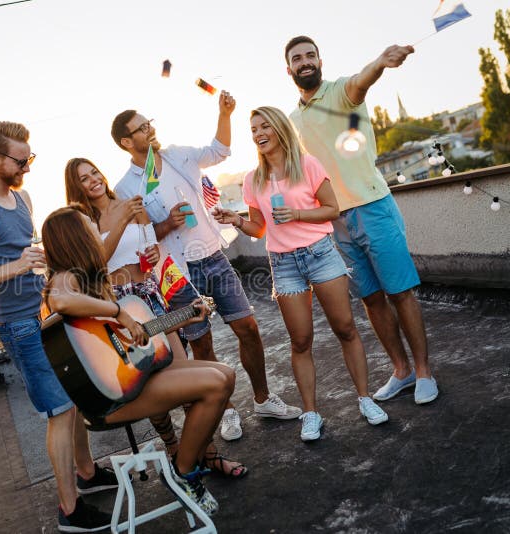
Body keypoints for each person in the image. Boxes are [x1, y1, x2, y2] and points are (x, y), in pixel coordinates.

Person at [111, 92, 301, 442]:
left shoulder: (179, 155)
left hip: (213, 256)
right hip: (175, 272)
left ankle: (263, 399)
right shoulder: (125, 188)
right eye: (141, 128)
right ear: (126, 141)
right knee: (202, 345)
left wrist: (224, 113)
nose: (150, 130)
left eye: (149, 123)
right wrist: (166, 224)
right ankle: (227, 412)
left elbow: (219, 151)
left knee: (248, 327)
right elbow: (139, 238)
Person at [0, 121, 116, 533]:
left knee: (73, 399)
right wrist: (17, 267)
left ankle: (87, 473)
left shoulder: (22, 197)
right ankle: (70, 511)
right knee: (59, 411)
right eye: (19, 159)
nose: (27, 165)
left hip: (45, 313)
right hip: (18, 325)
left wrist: (43, 266)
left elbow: (23, 252)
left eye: (30, 158)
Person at [42, 205, 236, 516]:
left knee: (225, 374)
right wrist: (119, 312)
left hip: (128, 380)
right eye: (89, 224)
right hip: (110, 400)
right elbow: (60, 301)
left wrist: (185, 318)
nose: (96, 227)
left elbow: (135, 336)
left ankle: (186, 462)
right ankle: (183, 473)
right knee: (215, 384)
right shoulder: (66, 278)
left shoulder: (95, 280)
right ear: (76, 236)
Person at [213, 106, 389, 441]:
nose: (258, 133)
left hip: (321, 254)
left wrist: (296, 212)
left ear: (279, 129)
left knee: (346, 328)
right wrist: (235, 219)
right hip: (283, 263)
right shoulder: (253, 179)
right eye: (253, 129)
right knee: (301, 340)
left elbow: (331, 209)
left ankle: (365, 399)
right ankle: (311, 413)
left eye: (264, 126)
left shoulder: (307, 165)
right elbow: (259, 228)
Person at [65, 157, 247, 477]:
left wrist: (150, 255)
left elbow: (152, 247)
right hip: (121, 307)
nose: (93, 179)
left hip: (151, 294)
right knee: (150, 383)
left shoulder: (131, 204)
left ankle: (208, 453)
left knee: (185, 377)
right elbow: (96, 262)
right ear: (75, 187)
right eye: (83, 178)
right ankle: (173, 448)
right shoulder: (82, 220)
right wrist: (121, 219)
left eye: (94, 171)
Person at [284, 35, 438, 405]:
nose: (305, 62)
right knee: (371, 300)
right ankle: (400, 370)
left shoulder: (341, 92)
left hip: (373, 207)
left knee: (400, 293)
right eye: (297, 58)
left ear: (320, 60)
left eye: (310, 55)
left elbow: (361, 81)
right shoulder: (291, 121)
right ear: (288, 69)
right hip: (335, 222)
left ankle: (423, 372)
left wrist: (381, 63)